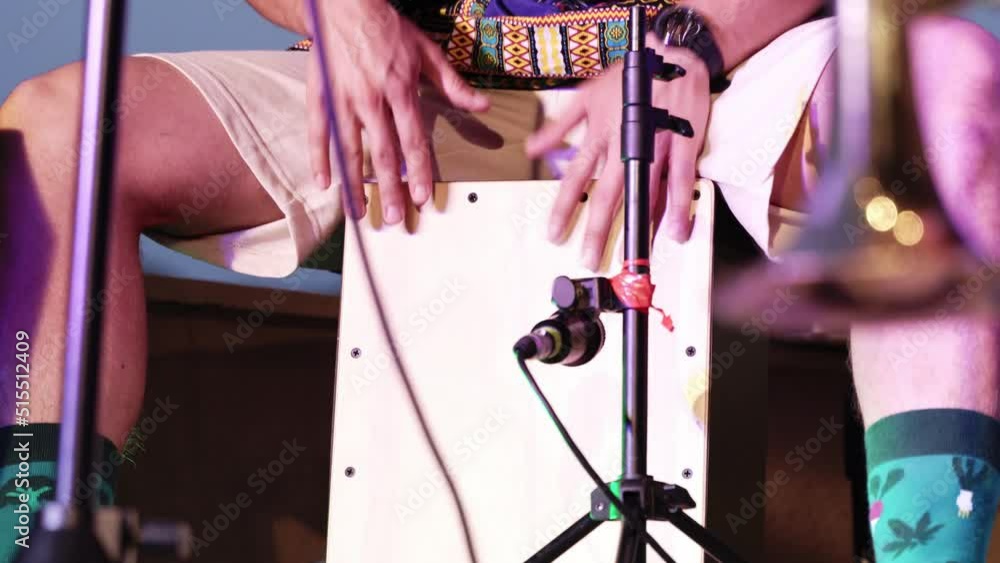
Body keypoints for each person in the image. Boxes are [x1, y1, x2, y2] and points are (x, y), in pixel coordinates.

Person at [0, 0, 997, 560]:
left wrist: (693, 39)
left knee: (949, 83)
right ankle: (33, 541)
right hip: (428, 84)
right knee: (57, 126)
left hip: (711, 70)